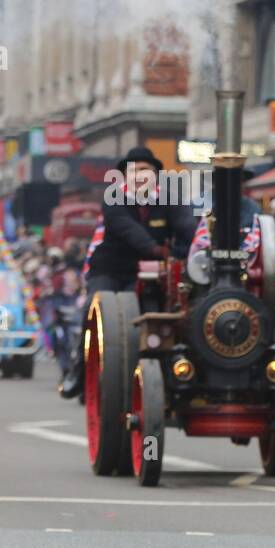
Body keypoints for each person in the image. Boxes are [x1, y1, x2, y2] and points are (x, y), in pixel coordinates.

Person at [59, 146, 194, 398]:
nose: (140, 175)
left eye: (146, 170)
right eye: (134, 170)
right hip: (111, 268)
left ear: (155, 175)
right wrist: (157, 249)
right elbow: (129, 231)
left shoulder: (170, 199)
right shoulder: (114, 199)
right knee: (93, 307)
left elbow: (187, 227)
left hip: (151, 274)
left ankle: (164, 369)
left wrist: (189, 248)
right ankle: (78, 372)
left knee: (159, 312)